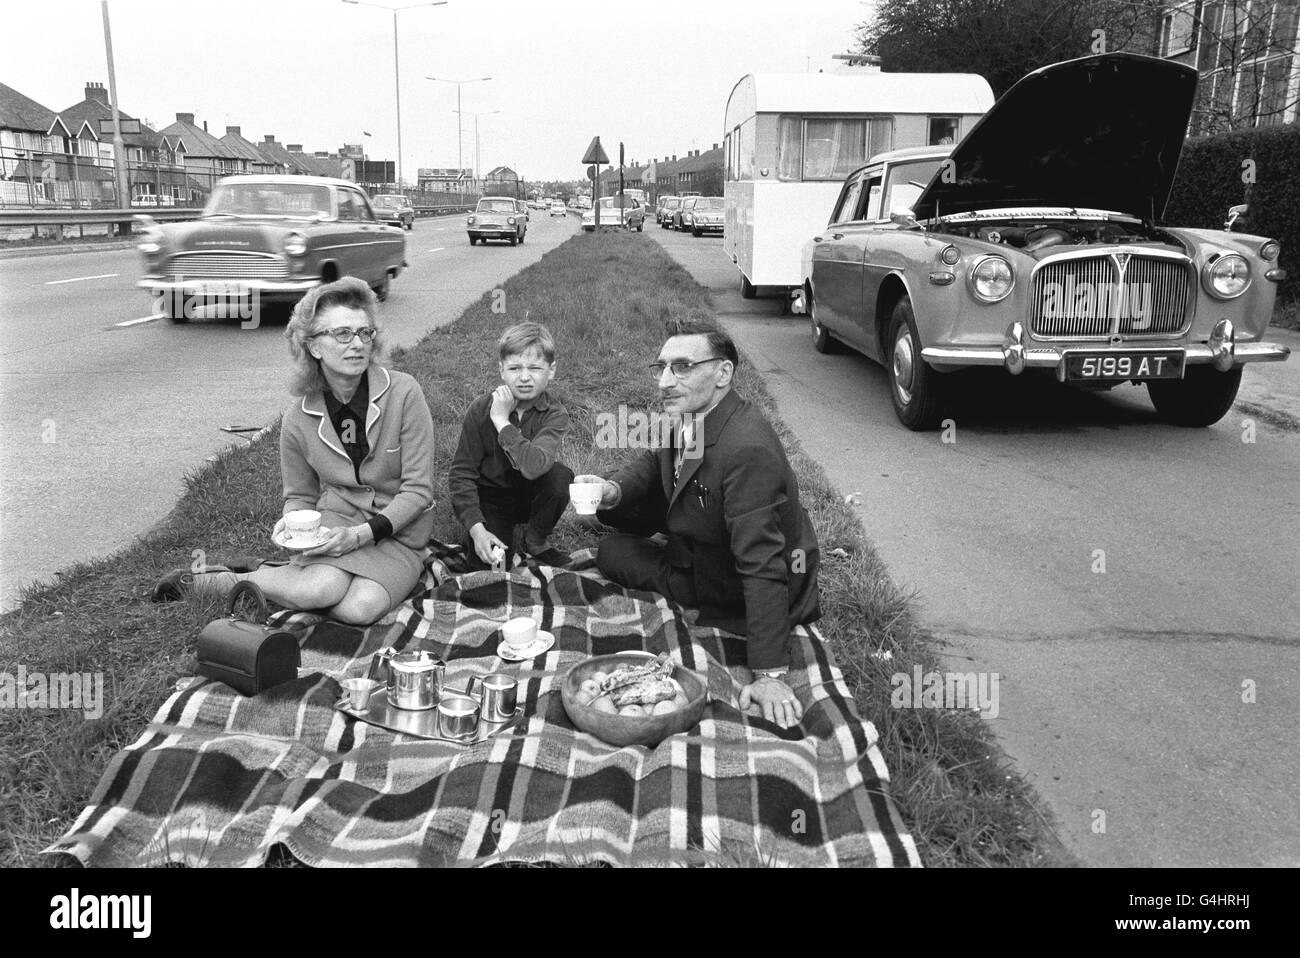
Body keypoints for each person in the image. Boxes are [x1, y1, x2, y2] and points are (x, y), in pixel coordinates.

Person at [580, 320, 820, 729]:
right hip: (699, 544)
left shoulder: (747, 448)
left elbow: (763, 563)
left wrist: (770, 675)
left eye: (683, 367)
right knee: (611, 547)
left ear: (723, 373)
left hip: (728, 581)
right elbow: (655, 462)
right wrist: (613, 491)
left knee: (614, 552)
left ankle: (694, 598)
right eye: (661, 368)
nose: (665, 381)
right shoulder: (696, 414)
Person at [153, 277, 436, 624]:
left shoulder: (405, 393)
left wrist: (360, 536)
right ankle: (221, 580)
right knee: (320, 590)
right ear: (314, 347)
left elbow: (419, 490)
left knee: (359, 610)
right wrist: (290, 524)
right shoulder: (298, 418)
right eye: (342, 334)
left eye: (365, 333)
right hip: (335, 524)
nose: (358, 344)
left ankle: (270, 574)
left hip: (398, 535)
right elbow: (300, 495)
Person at [448, 321, 573, 568]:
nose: (524, 377)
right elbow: (461, 475)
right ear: (501, 370)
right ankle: (491, 532)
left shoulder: (555, 414)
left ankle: (535, 538)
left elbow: (535, 467)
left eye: (535, 368)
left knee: (561, 477)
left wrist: (502, 421)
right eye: (515, 368)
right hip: (491, 499)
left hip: (531, 493)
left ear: (551, 370)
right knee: (490, 568)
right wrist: (476, 529)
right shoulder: (480, 410)